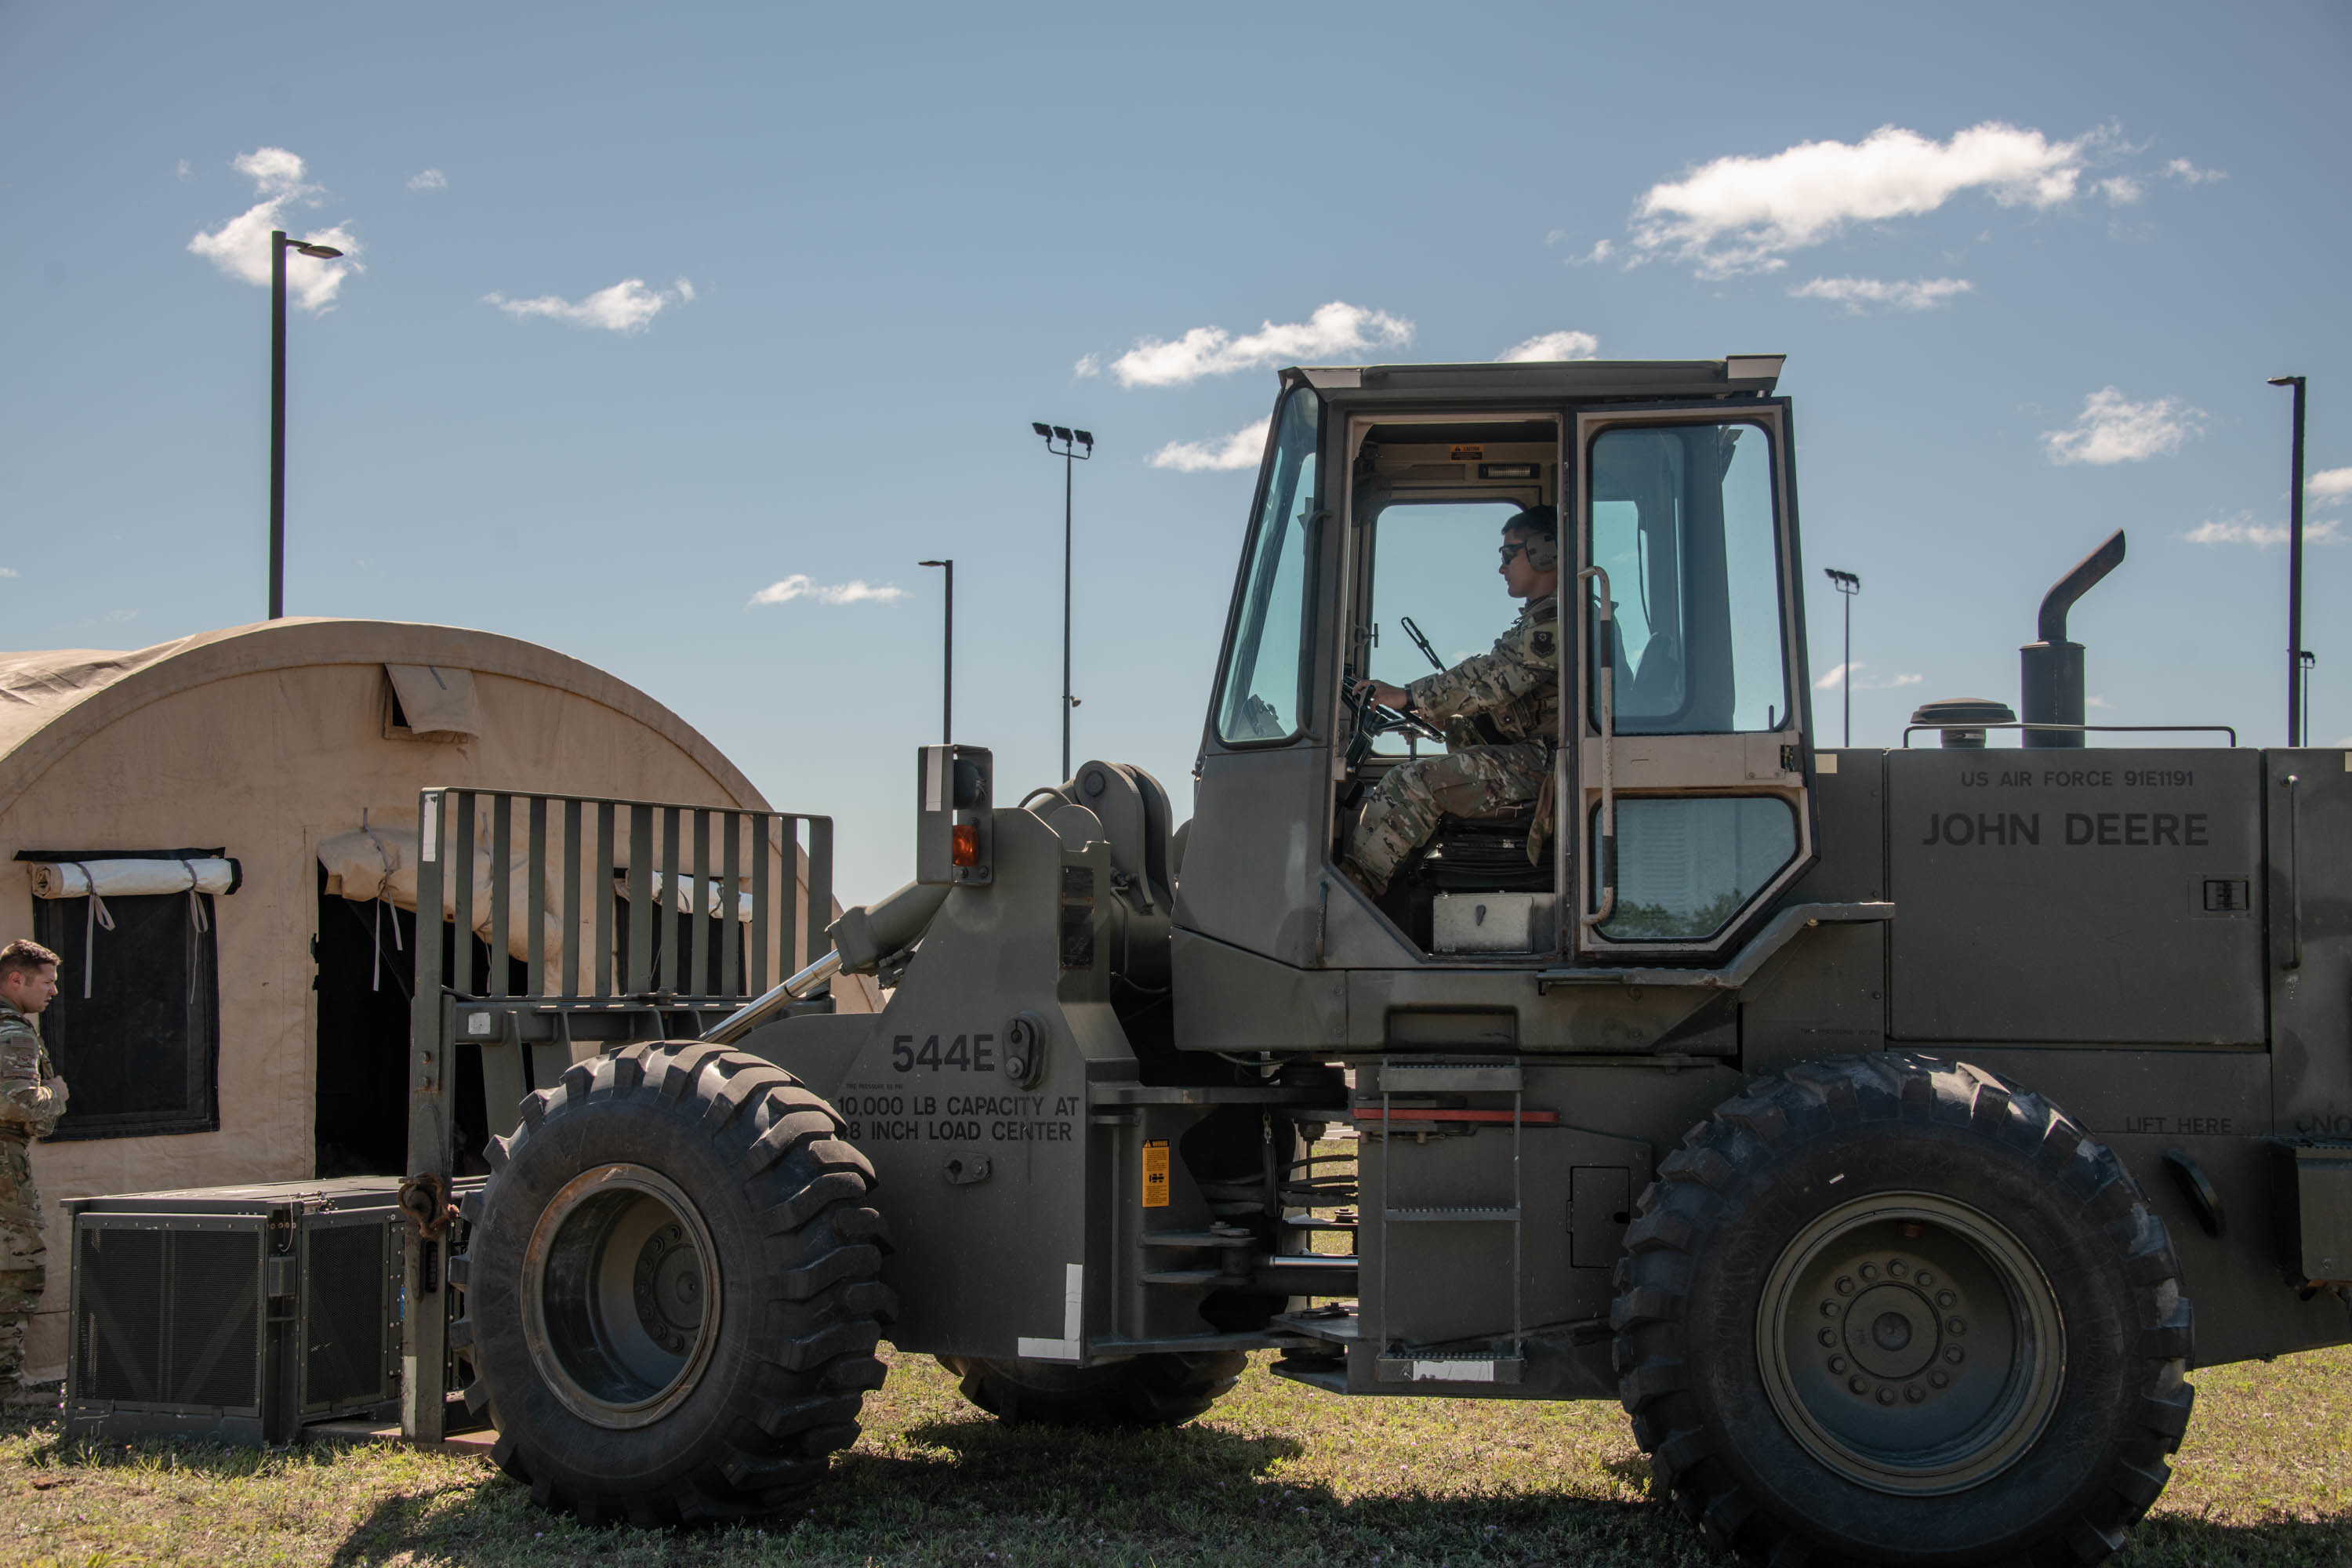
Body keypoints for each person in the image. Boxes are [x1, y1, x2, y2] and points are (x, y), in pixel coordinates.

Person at [1343, 505, 1561, 897]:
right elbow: (1510, 708)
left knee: (1410, 783)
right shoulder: (1542, 619)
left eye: (1508, 554)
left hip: (1551, 763)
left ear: (1545, 550)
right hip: (1539, 757)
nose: (1502, 567)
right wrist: (1447, 723)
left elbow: (1493, 679)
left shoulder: (1559, 623)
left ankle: (1350, 900)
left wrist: (1409, 695)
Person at [0, 939, 66, 1405]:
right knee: (18, 1270)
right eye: (47, 982)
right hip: (5, 1174)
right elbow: (18, 1104)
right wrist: (58, 1094)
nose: (54, 992)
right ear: (16, 980)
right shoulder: (13, 1032)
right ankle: (6, 1389)